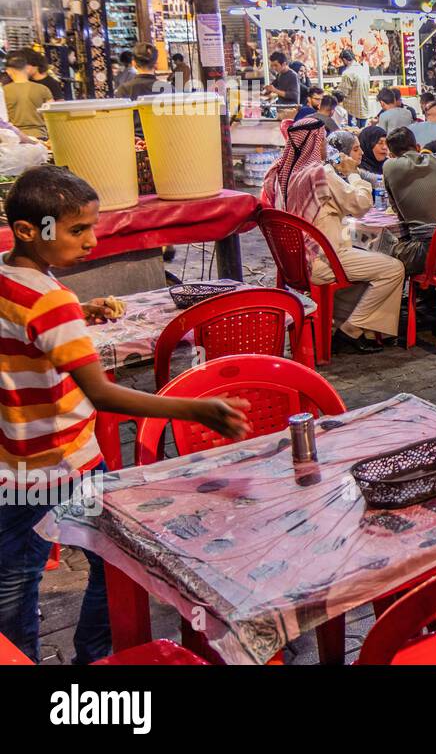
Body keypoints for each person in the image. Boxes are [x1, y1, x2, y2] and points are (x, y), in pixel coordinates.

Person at [0, 165, 249, 663]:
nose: (92, 240)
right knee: (113, 560)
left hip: (14, 460)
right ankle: (93, 653)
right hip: (62, 463)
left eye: (92, 226)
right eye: (76, 230)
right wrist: (197, 408)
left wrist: (80, 312)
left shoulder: (15, 280)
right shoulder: (50, 301)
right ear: (29, 231)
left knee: (18, 579)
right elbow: (104, 394)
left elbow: (23, 329)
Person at [262, 117, 405, 352]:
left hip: (294, 262)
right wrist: (354, 175)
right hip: (323, 258)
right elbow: (359, 204)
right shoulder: (318, 174)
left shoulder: (280, 173)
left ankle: (344, 325)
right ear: (315, 141)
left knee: (364, 273)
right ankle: (352, 331)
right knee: (393, 268)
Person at [382, 125, 436, 276]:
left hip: (430, 255)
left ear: (391, 154)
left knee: (380, 247)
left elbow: (398, 211)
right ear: (418, 147)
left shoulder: (389, 166)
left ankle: (397, 298)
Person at [2, 51, 52, 141]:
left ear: (9, 71)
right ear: (26, 68)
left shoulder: (4, 91)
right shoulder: (43, 89)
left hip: (15, 138)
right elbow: (52, 116)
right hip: (40, 136)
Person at [335, 49, 372, 126]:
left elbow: (343, 92)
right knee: (361, 132)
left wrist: (335, 92)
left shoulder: (347, 73)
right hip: (363, 108)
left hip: (352, 110)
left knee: (352, 134)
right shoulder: (364, 70)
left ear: (344, 60)